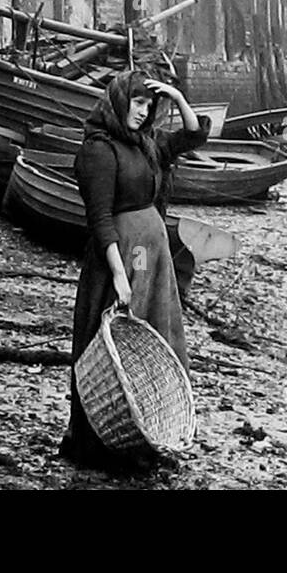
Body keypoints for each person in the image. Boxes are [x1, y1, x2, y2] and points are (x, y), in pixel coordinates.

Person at [59, 70, 211, 470]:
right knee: (113, 340)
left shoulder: (145, 145)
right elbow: (100, 220)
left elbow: (193, 137)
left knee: (152, 332)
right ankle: (105, 440)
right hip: (121, 254)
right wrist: (120, 275)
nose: (142, 112)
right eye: (137, 102)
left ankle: (148, 431)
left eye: (149, 105)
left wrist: (177, 98)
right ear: (118, 101)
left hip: (150, 255)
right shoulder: (99, 150)